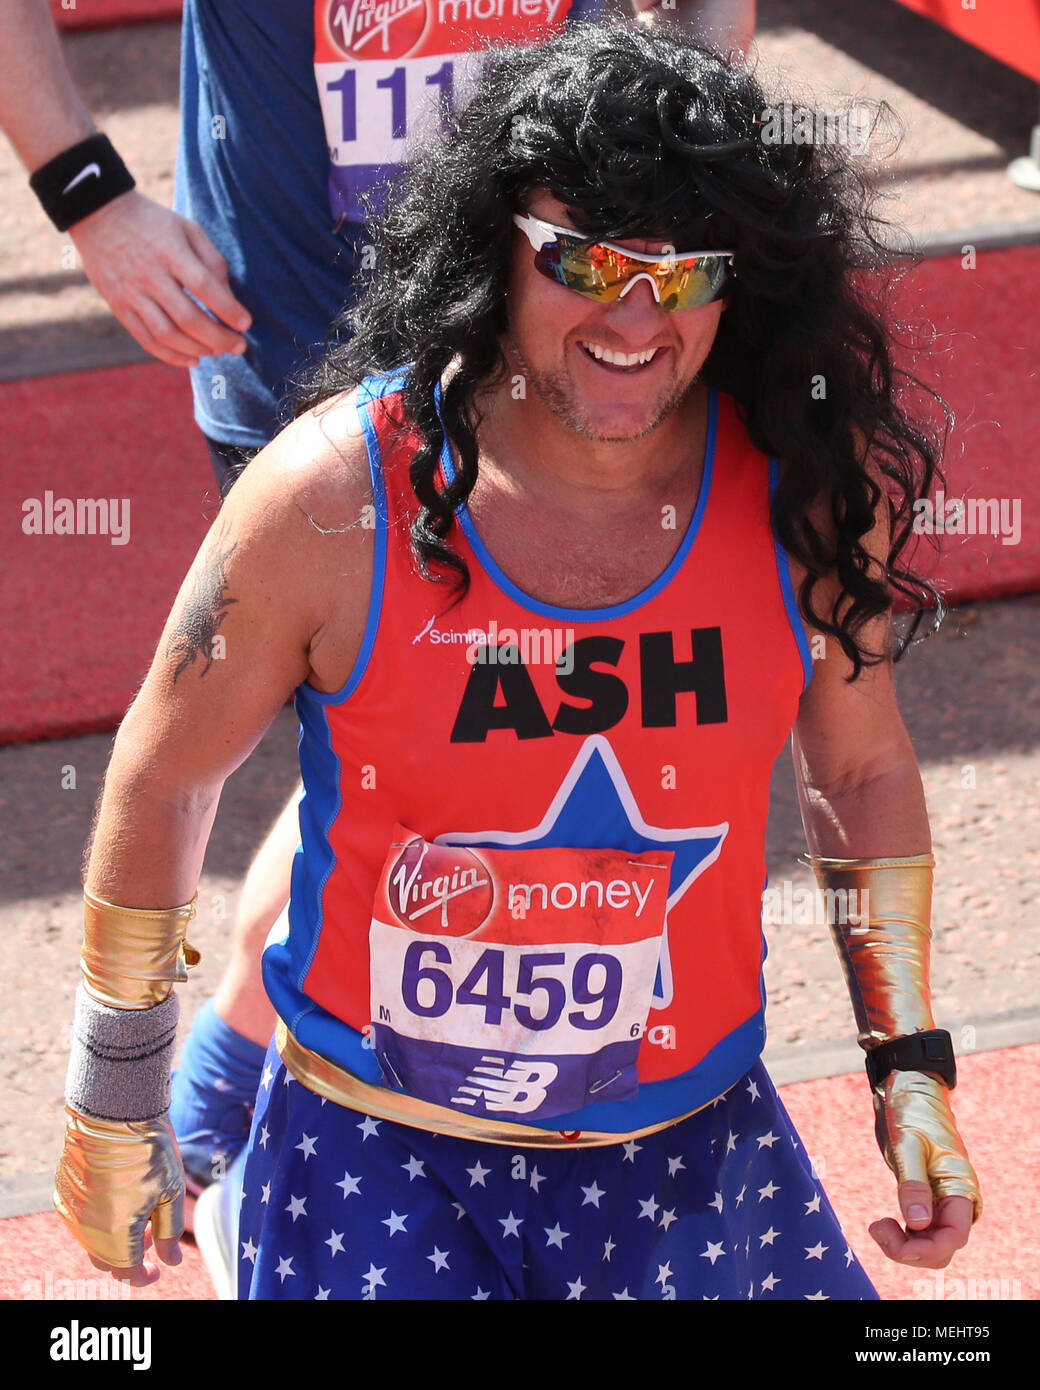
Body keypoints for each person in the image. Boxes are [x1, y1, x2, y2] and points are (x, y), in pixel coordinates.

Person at [55, 20, 980, 1300]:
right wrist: (115, 1100)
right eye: (582, 260)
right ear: (494, 247)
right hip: (374, 1158)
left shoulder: (804, 492)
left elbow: (863, 770)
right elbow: (162, 781)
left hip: (684, 1146)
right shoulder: (329, 496)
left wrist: (910, 1064)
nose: (631, 313)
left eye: (682, 270)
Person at [0, 0, 758, 1211]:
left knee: (427, 769)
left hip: (550, 352)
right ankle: (227, 1095)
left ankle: (230, 1086)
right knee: (375, 765)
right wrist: (92, 199)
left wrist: (669, 201)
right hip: (300, 358)